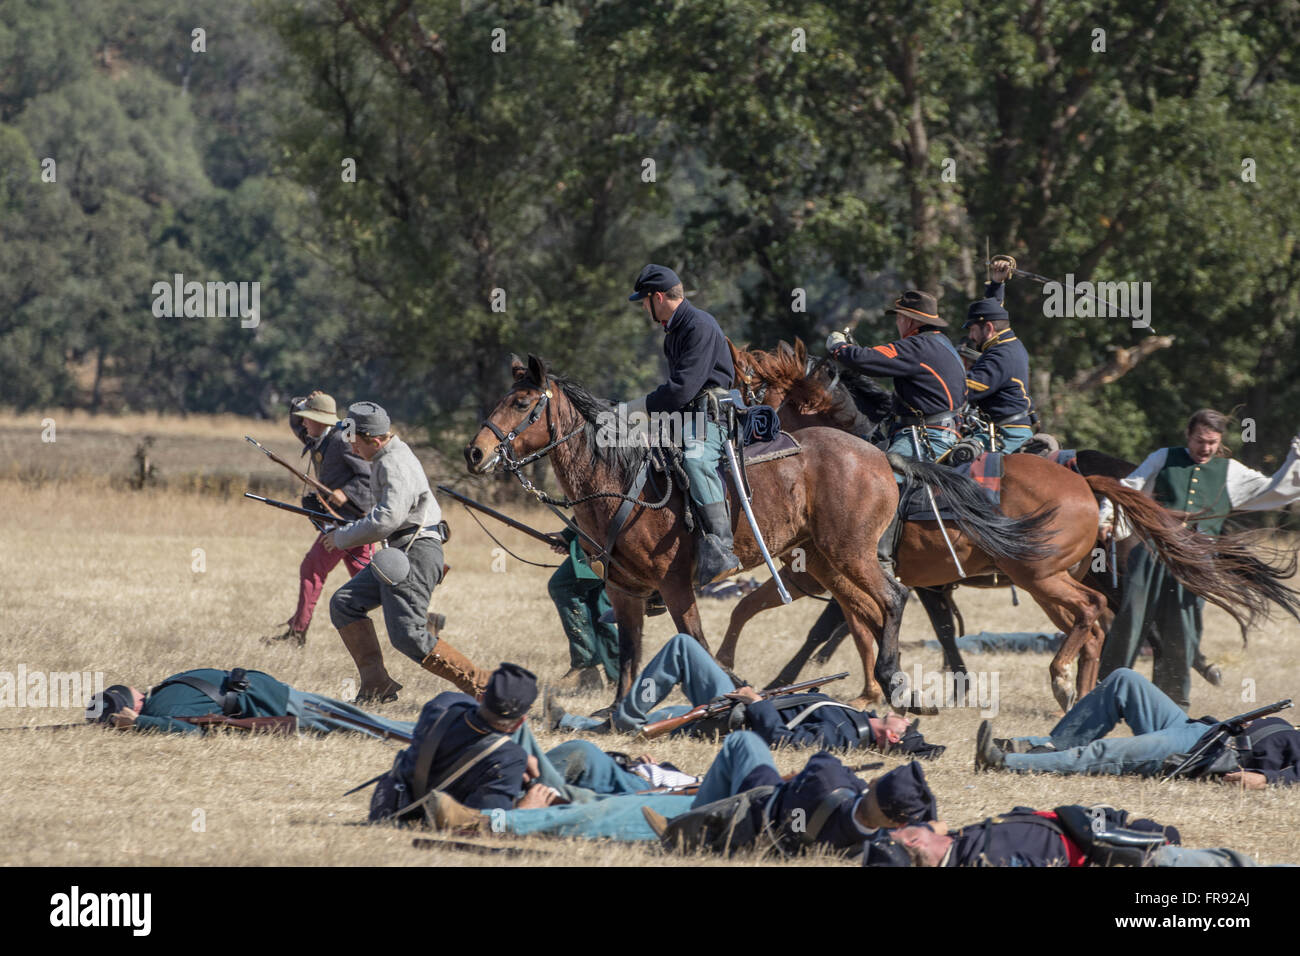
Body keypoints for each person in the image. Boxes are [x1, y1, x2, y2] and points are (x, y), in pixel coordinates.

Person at [1098, 410, 1300, 708]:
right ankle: (1107, 693)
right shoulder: (1163, 458)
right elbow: (1129, 489)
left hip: (1196, 562)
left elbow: (1274, 489)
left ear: (1220, 442)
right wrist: (1108, 517)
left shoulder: (1231, 471)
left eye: (1212, 442)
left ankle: (1171, 705)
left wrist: (1296, 459)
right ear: (1188, 435)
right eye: (1199, 441)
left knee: (1183, 628)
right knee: (1131, 620)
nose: (1205, 448)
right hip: (1153, 552)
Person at [325, 401, 489, 703]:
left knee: (408, 634)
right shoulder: (386, 457)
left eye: (355, 441)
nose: (351, 447)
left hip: (414, 553)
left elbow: (388, 519)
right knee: (345, 603)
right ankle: (377, 685)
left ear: (374, 440)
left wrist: (343, 537)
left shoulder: (392, 463)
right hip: (402, 554)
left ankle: (483, 687)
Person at [546, 632, 939, 756]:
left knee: (682, 647)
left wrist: (758, 703)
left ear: (895, 735)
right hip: (739, 708)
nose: (904, 715)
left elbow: (782, 739)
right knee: (661, 724)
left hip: (738, 715)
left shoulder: (848, 738)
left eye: (907, 723)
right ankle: (571, 723)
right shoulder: (855, 720)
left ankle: (626, 716)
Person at [973, 667, 1300, 784]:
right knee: (1123, 679)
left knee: (1105, 752)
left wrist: (1265, 779)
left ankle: (1006, 763)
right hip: (1200, 729)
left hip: (1203, 753)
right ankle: (1046, 747)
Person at [623, 264, 741, 586]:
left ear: (658, 297)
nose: (644, 308)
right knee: (632, 451)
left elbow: (681, 389)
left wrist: (638, 407)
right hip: (686, 416)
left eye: (645, 301)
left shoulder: (698, 325)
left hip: (710, 416)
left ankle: (721, 548)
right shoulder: (675, 331)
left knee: (694, 458)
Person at [368, 663, 560, 827]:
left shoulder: (441, 706)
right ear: (520, 722)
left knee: (579, 751)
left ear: (480, 697)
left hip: (403, 796)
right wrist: (526, 810)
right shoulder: (509, 759)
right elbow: (495, 825)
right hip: (437, 813)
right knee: (585, 759)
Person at [264, 390, 376, 647]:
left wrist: (344, 493)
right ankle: (421, 616)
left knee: (312, 568)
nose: (303, 422)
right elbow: (295, 420)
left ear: (321, 420)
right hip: (344, 523)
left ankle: (297, 633)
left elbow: (367, 475)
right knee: (372, 581)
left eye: (308, 417)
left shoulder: (342, 439)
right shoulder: (317, 435)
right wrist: (302, 402)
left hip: (347, 523)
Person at [826, 290, 966, 464]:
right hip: (942, 430)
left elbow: (866, 359)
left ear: (909, 320)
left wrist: (839, 347)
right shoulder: (941, 342)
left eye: (899, 317)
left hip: (928, 435)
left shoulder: (918, 346)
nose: (898, 323)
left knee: (883, 482)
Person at [86, 667, 414, 740]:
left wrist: (139, 725)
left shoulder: (159, 709)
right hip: (271, 694)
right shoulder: (166, 690)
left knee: (363, 726)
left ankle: (422, 734)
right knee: (354, 722)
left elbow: (189, 732)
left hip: (275, 702)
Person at [864, 804, 1182, 867]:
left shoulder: (958, 842)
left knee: (1113, 815)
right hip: (1101, 846)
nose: (899, 827)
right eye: (900, 832)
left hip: (1080, 820)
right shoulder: (978, 861)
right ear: (914, 841)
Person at [961, 256, 1036, 453]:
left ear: (988, 328)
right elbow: (994, 309)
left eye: (972, 329)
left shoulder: (1002, 353)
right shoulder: (1005, 343)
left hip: (1007, 434)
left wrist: (936, 377)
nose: (970, 336)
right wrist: (997, 282)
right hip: (1002, 429)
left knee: (956, 465)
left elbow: (975, 386)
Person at [546, 527, 621, 692]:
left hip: (601, 535)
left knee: (562, 586)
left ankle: (586, 667)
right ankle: (617, 676)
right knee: (597, 600)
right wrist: (570, 536)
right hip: (604, 533)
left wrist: (569, 534)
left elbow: (595, 502)